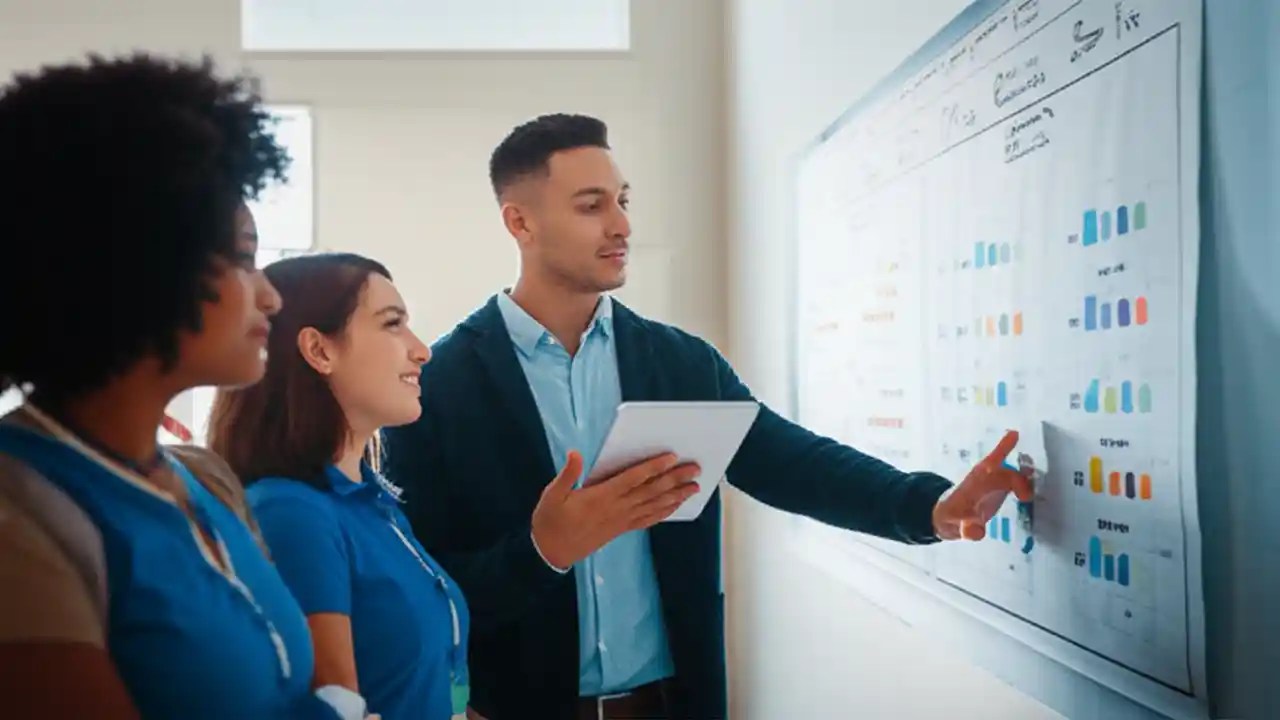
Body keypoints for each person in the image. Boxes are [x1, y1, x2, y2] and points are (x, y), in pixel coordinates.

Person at [382, 113, 1033, 720]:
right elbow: (428, 595)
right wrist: (544, 550)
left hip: (673, 704)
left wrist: (932, 508)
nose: (622, 226)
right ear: (520, 224)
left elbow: (791, 463)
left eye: (623, 201)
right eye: (592, 206)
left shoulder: (681, 363)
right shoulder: (436, 388)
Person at [0, 54, 368, 719]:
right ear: (141, 260)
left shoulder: (204, 478)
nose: (271, 297)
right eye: (243, 259)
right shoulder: (18, 511)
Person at [208, 253, 477, 720]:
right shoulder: (293, 513)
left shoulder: (374, 503)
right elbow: (338, 708)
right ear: (319, 350)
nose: (422, 350)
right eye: (393, 324)